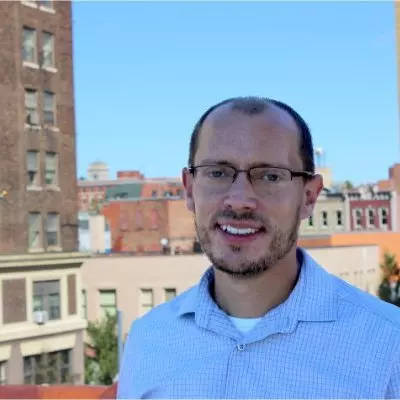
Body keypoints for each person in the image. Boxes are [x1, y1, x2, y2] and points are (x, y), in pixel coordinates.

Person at [117, 96, 400, 399]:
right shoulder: (148, 340)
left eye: (269, 176)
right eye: (217, 172)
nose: (239, 199)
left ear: (309, 197)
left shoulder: (388, 344)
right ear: (189, 189)